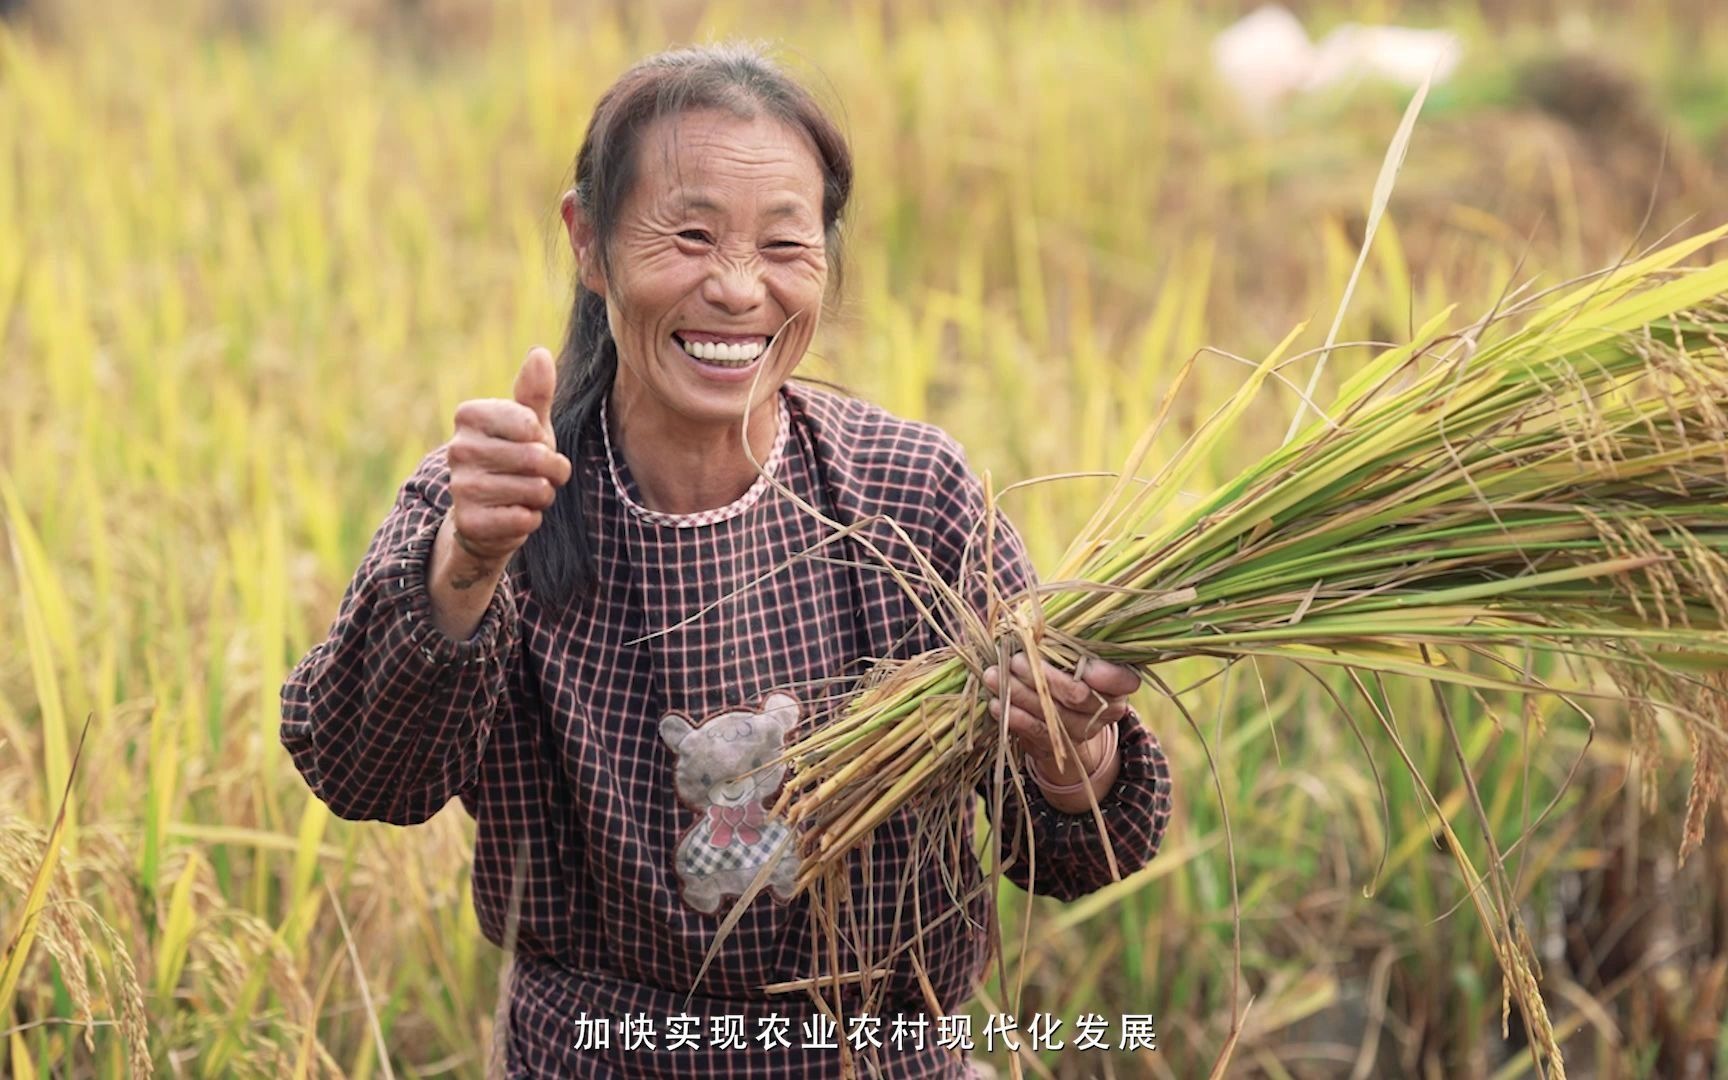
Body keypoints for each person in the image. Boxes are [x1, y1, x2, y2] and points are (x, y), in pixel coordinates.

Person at [280, 43, 1173, 1079]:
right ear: (590, 243)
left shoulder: (910, 496)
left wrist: (1074, 761)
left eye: (786, 244)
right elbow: (361, 775)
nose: (740, 288)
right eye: (691, 236)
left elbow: (1076, 853)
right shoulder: (499, 500)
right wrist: (468, 567)